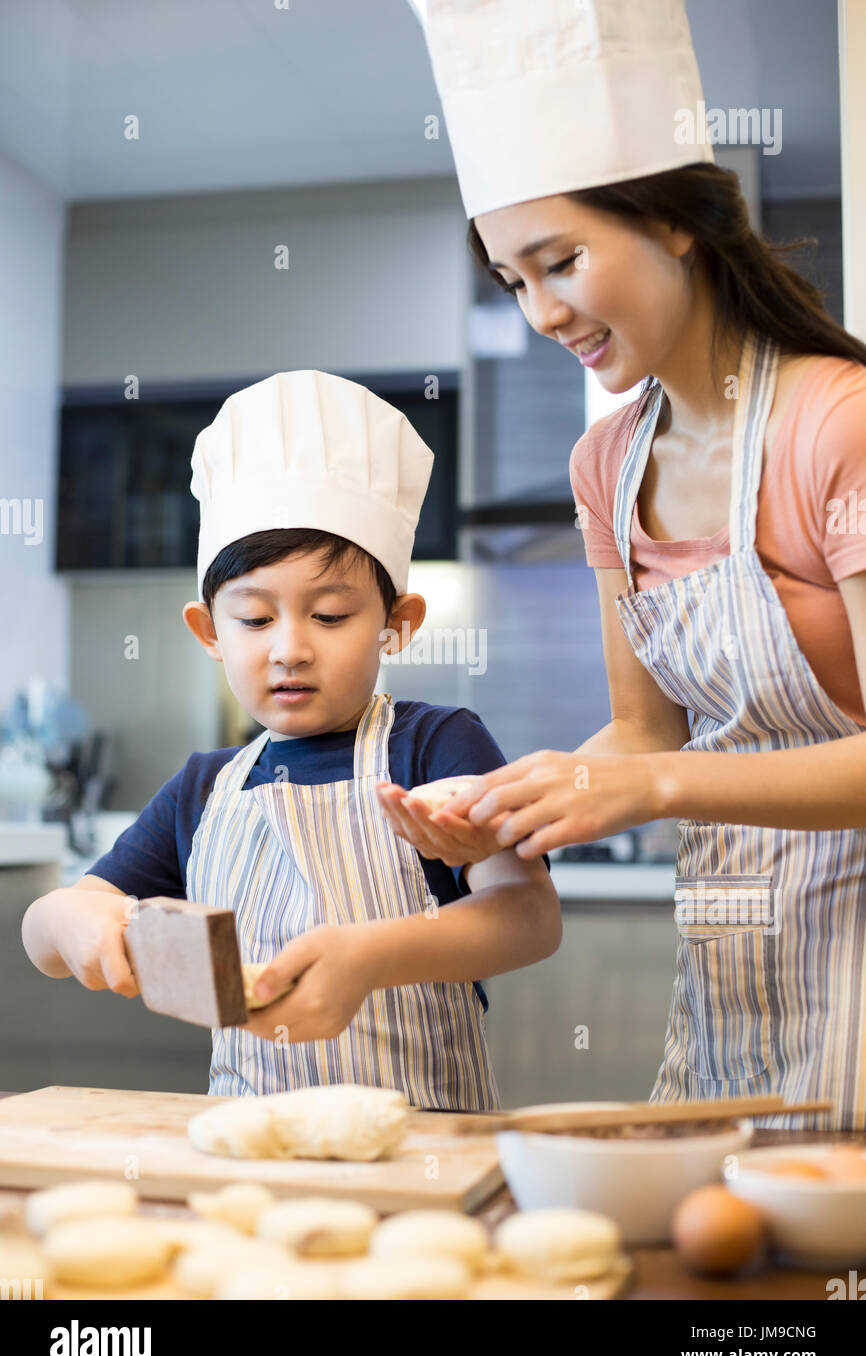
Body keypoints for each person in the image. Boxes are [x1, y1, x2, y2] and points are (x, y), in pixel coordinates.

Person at [378, 0, 866, 1127]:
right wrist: (506, 803)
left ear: (674, 220)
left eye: (560, 261)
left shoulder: (833, 424)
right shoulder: (606, 463)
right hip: (734, 983)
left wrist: (647, 786)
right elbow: (641, 734)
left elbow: (657, 768)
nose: (542, 311)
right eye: (510, 281)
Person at [22, 369, 561, 1108]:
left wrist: (368, 957)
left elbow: (528, 918)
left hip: (422, 1143)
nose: (290, 649)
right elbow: (47, 932)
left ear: (398, 623)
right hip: (249, 1144)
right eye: (254, 619)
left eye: (331, 616)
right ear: (209, 632)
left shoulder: (436, 744)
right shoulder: (204, 788)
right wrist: (73, 920)